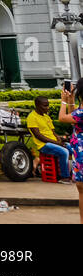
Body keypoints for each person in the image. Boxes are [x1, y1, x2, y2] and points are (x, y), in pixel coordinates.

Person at [26, 94, 68, 180]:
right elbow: (39, 136)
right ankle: (64, 177)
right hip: (44, 145)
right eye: (45, 106)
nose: (47, 107)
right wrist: (57, 143)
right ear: (37, 105)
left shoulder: (46, 117)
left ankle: (74, 174)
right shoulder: (32, 117)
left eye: (48, 105)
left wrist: (59, 139)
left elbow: (53, 132)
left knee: (74, 148)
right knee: (64, 152)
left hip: (54, 143)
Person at [57, 86, 83, 223]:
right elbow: (74, 119)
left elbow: (62, 118)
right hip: (80, 153)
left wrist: (63, 102)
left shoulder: (82, 112)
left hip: (81, 155)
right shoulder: (79, 113)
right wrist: (71, 101)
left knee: (82, 191)